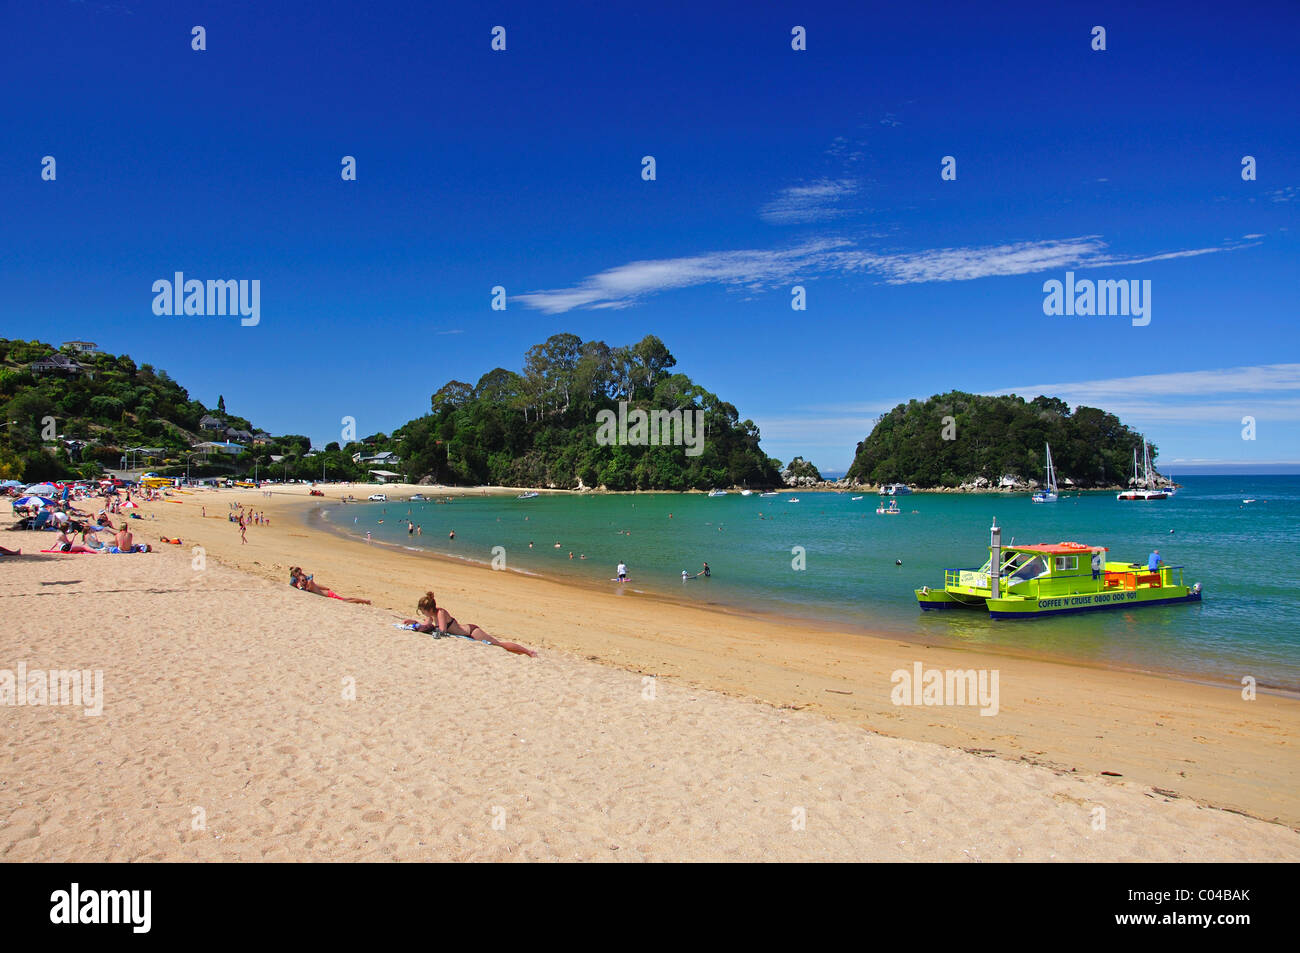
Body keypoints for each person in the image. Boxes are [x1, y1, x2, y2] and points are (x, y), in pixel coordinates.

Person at [402, 591, 536, 657]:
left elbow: (442, 630)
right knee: (498, 647)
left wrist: (430, 631)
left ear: (429, 609)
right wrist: (413, 623)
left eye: (423, 611)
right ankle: (523, 652)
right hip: (466, 634)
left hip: (471, 631)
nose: (422, 613)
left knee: (498, 644)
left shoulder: (440, 613)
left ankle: (528, 651)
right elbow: (425, 625)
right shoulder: (432, 616)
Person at [289, 567, 371, 604]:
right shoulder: (307, 583)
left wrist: (301, 583)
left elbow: (304, 587)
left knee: (346, 600)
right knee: (346, 599)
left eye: (303, 580)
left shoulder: (309, 583)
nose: (303, 581)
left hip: (329, 595)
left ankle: (365, 601)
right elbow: (294, 584)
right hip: (327, 593)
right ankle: (365, 601)